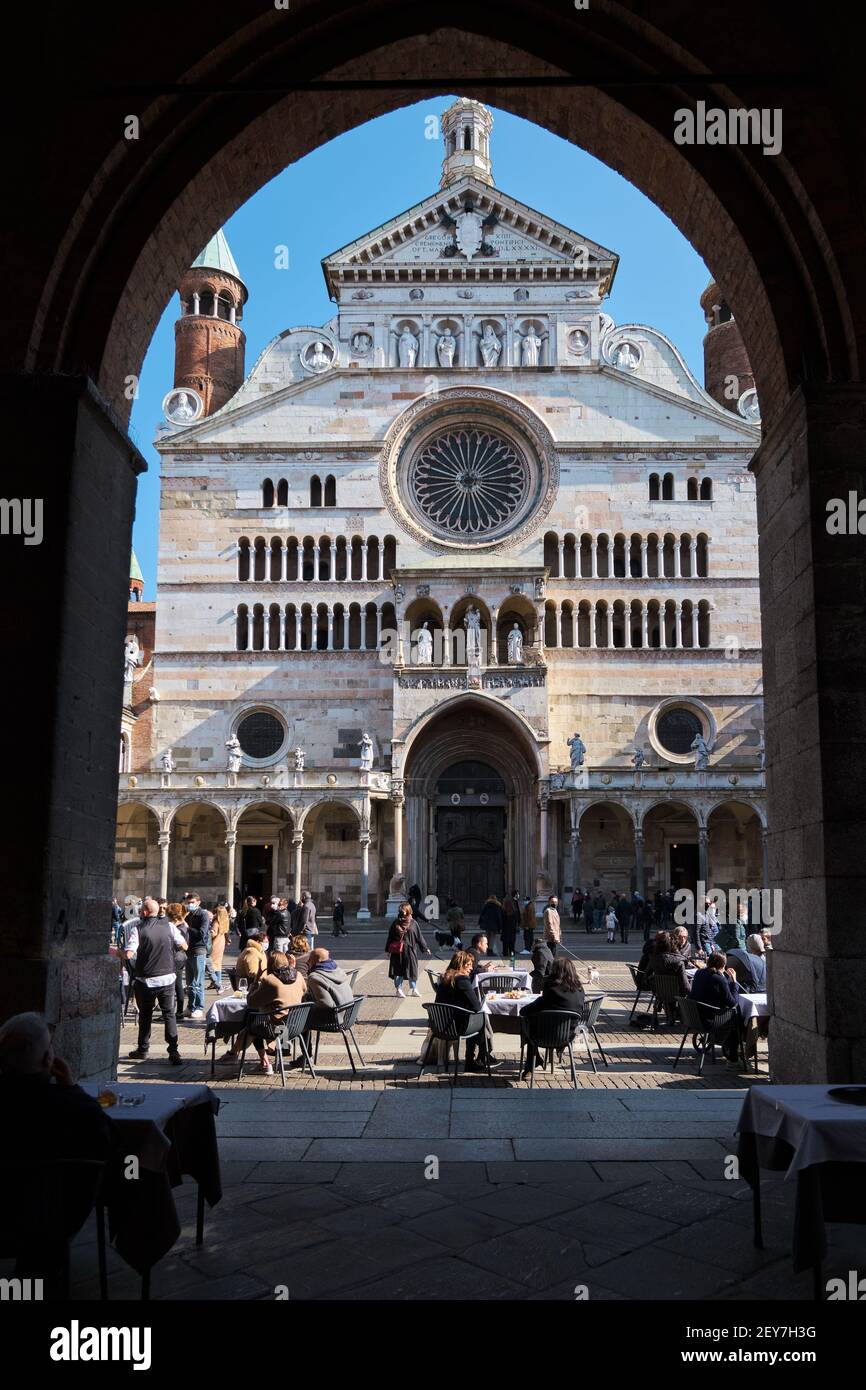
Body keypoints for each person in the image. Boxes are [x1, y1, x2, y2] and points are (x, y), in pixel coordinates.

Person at [0, 1012, 116, 1293]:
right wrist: (72, 1089)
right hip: (48, 1225)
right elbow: (110, 1141)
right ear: (47, 1061)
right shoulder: (73, 1109)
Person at [126, 897, 186, 1064]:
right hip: (167, 977)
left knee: (145, 1014)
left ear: (145, 912)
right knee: (169, 1014)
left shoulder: (137, 930)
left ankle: (143, 1049)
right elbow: (184, 946)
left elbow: (130, 953)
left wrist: (120, 953)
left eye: (140, 910)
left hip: (146, 980)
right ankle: (173, 1051)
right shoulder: (170, 926)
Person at [521, 956, 586, 1077]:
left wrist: (524, 1010)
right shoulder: (580, 989)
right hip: (569, 1034)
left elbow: (531, 1009)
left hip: (546, 1034)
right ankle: (537, 1060)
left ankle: (530, 1064)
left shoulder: (552, 989)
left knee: (527, 1022)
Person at [245, 951, 306, 1075]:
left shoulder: (270, 980)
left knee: (250, 1018)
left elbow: (251, 1001)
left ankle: (265, 1062)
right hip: (296, 1025)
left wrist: (256, 980)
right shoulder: (298, 975)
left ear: (270, 963)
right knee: (259, 1016)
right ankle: (281, 1048)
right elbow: (304, 990)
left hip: (276, 1028)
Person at [434, 951, 488, 1073]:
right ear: (460, 965)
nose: (471, 968)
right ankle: (474, 1058)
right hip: (456, 1026)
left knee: (478, 1018)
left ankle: (483, 1054)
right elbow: (477, 1007)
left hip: (440, 1025)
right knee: (481, 1018)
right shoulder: (462, 980)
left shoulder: (444, 978)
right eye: (468, 965)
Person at [689, 950, 743, 1065]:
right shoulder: (719, 979)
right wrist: (733, 982)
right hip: (711, 1019)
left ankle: (723, 1042)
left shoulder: (699, 973)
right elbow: (733, 1003)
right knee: (738, 1019)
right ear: (723, 964)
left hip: (695, 1016)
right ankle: (733, 1057)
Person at [385, 902, 431, 997]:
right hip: (398, 951)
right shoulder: (396, 922)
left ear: (408, 911)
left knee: (412, 970)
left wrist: (425, 948)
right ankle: (398, 989)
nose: (401, 911)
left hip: (410, 951)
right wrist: (388, 950)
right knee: (398, 971)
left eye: (403, 909)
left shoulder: (414, 923)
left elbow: (419, 937)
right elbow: (390, 937)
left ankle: (414, 988)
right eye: (400, 909)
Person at [183, 891, 211, 1019]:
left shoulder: (203, 915)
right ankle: (190, 1006)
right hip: (188, 951)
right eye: (188, 903)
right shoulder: (188, 915)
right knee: (189, 981)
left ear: (198, 902)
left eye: (192, 902)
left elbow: (202, 933)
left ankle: (199, 1007)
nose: (190, 905)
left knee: (198, 982)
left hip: (199, 950)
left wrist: (187, 927)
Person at [166, 902, 190, 1017]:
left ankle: (176, 1011)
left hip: (176, 957)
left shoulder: (179, 928)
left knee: (175, 985)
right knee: (177, 984)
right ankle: (178, 1010)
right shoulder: (183, 925)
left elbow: (179, 944)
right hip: (180, 958)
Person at [206, 900, 230, 991]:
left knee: (212, 964)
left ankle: (217, 982)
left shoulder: (216, 922)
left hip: (215, 943)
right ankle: (216, 982)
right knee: (218, 963)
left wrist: (209, 932)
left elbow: (213, 933)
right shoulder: (225, 921)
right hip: (221, 942)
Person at [501, 891, 517, 956]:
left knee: (505, 941)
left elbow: (502, 919)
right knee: (511, 941)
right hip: (512, 928)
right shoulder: (513, 912)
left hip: (505, 928)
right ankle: (511, 952)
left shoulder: (503, 911)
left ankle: (505, 952)